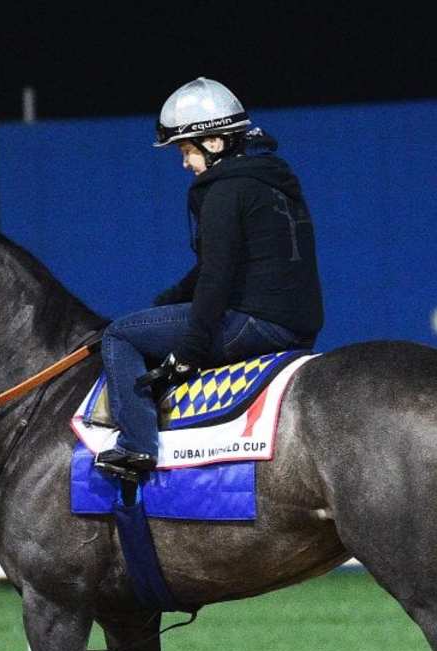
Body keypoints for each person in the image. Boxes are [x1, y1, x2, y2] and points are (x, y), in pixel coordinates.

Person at [95, 77, 325, 479]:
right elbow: (216, 267)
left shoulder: (223, 191)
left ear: (215, 143)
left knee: (119, 334)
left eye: (186, 149)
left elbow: (216, 281)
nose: (185, 162)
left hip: (256, 325)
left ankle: (136, 449)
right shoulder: (272, 182)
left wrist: (188, 354)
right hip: (299, 328)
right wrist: (165, 302)